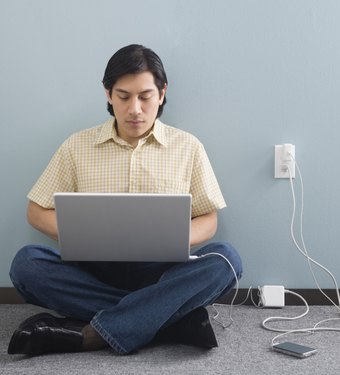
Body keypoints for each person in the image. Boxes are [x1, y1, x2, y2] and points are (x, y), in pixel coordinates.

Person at [8, 44, 243, 356]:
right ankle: (169, 319)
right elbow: (36, 212)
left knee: (227, 259)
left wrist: (173, 237)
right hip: (94, 270)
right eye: (124, 96)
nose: (135, 108)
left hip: (164, 274)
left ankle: (95, 333)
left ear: (161, 94)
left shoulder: (188, 147)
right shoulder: (77, 146)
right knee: (26, 265)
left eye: (145, 97)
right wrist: (84, 235)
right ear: (108, 94)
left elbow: (208, 219)